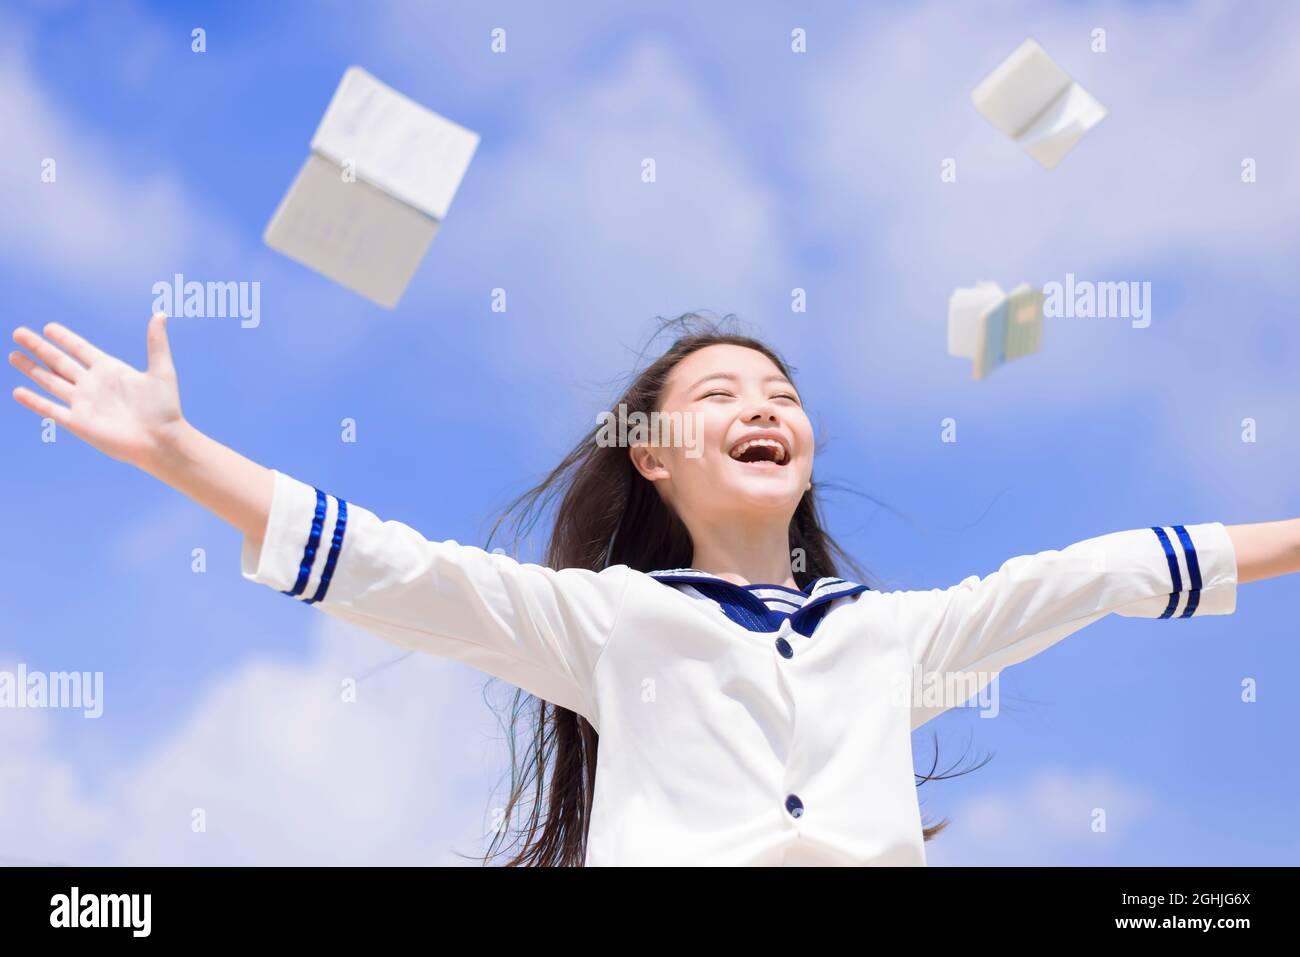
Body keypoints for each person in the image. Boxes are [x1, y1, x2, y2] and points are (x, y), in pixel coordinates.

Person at [9, 312, 1299, 866]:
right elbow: (396, 569)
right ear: (655, 456)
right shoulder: (612, 627)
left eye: (783, 396)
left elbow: (1103, 573)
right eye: (722, 394)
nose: (763, 407)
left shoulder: (900, 642)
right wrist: (182, 455)